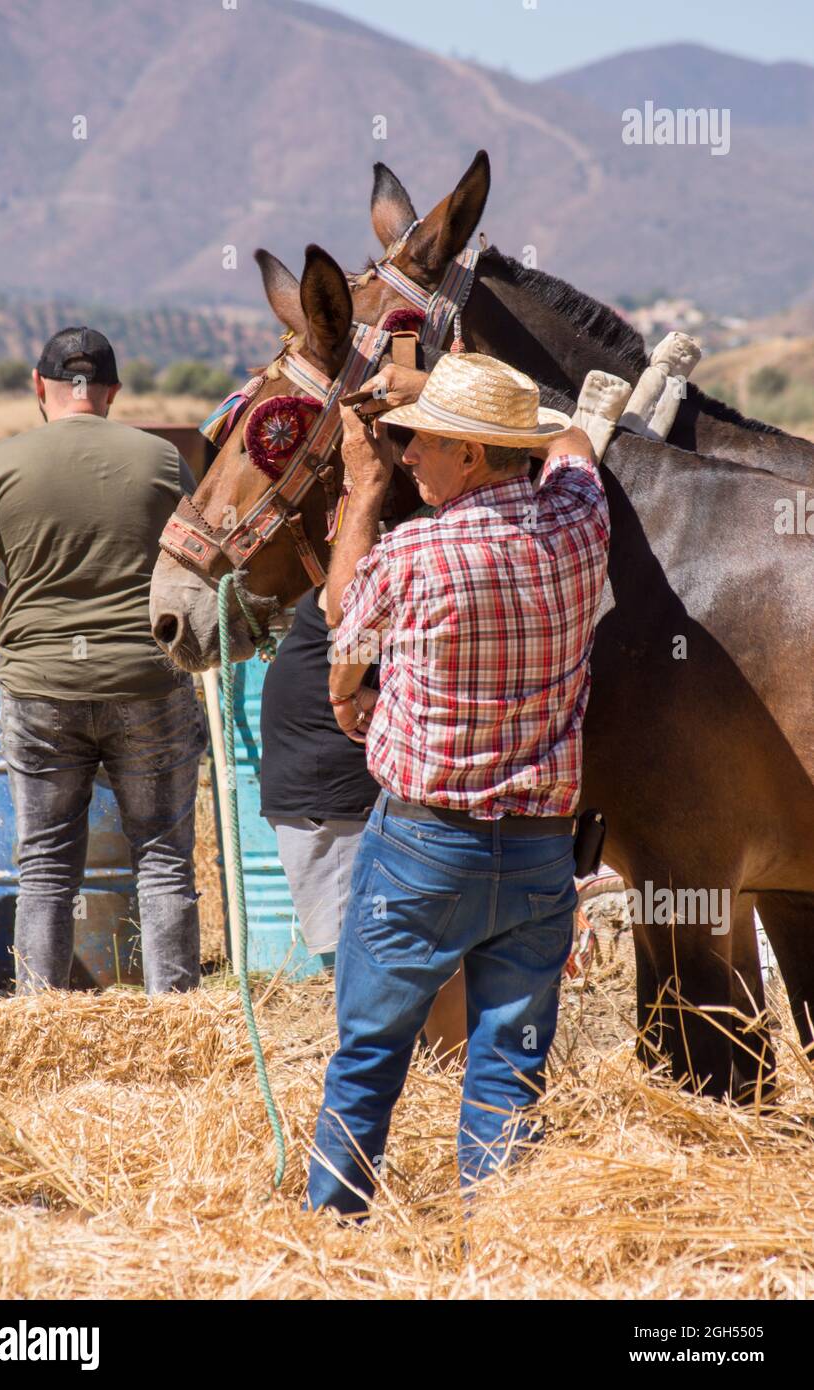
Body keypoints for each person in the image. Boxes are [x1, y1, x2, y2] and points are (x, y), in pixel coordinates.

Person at [306, 353, 610, 1216]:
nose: (406, 457)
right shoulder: (579, 524)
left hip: (422, 847)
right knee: (509, 1066)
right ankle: (502, 1237)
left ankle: (331, 1230)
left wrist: (348, 702)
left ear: (471, 457)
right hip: (542, 856)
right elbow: (578, 438)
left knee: (370, 1052)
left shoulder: (410, 552)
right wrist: (505, 410)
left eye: (424, 442)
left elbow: (344, 650)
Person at [0, 327, 207, 995]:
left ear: (39, 386)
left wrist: (33, 619)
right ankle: (174, 1016)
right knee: (163, 859)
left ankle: (41, 1014)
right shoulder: (162, 462)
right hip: (147, 680)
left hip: (40, 684)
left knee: (44, 865)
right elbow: (198, 575)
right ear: (112, 392)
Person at [260, 578, 467, 1060]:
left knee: (412, 952)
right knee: (395, 955)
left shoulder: (393, 561)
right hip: (338, 793)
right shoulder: (371, 571)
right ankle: (420, 1076)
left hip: (354, 792)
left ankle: (434, 1077)